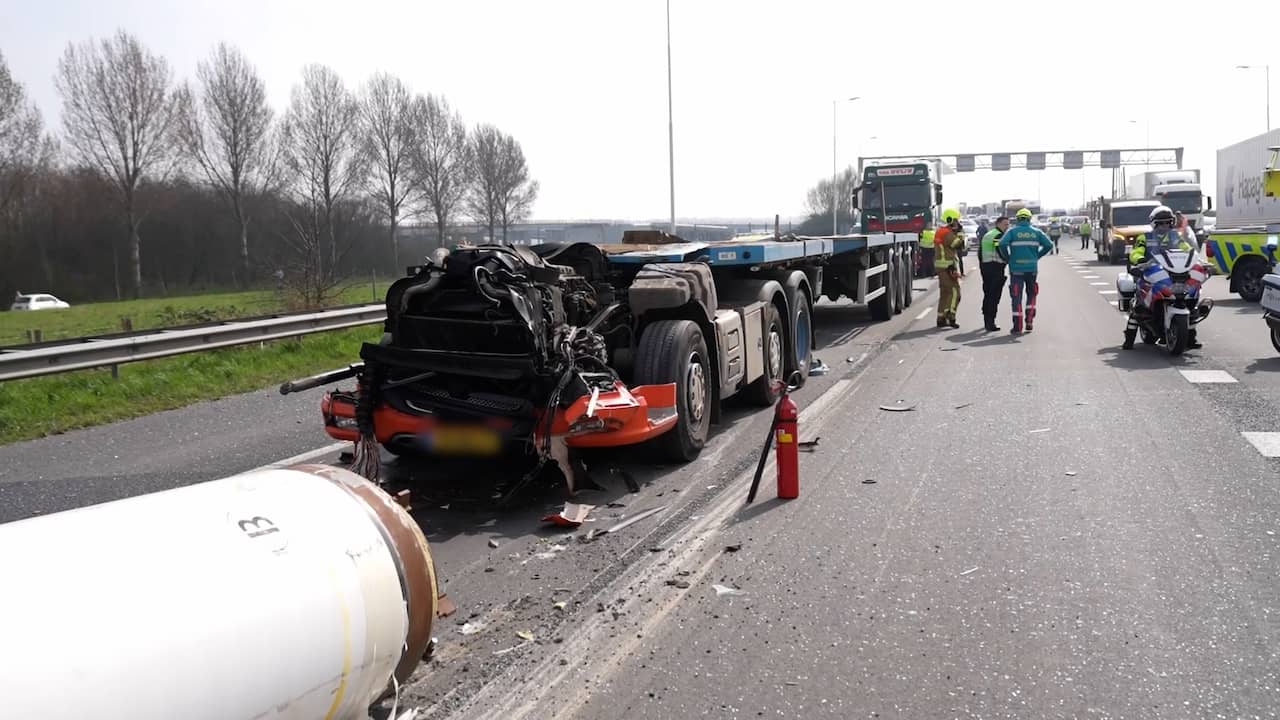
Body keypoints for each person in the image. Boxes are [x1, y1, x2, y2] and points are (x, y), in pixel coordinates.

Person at [1123, 205, 1200, 350]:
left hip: (1172, 272)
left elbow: (1187, 249)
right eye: (1161, 223)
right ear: (1154, 224)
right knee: (1138, 307)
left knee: (1191, 299)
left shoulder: (1175, 237)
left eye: (1167, 222)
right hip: (1149, 271)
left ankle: (1191, 337)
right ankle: (1129, 339)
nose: (1164, 225)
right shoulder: (1144, 237)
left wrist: (1196, 258)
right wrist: (1139, 259)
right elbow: (1136, 251)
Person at [997, 208, 1054, 334]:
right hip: (1032, 269)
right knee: (1032, 294)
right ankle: (1029, 320)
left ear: (1017, 219)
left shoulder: (1012, 231)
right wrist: (1037, 256)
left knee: (1016, 296)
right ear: (1029, 218)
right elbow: (1049, 245)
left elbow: (1002, 244)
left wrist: (1008, 258)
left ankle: (1017, 326)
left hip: (1016, 269)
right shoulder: (1036, 232)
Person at [933, 208, 967, 328]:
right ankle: (950, 317)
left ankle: (941, 318)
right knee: (955, 292)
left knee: (945, 293)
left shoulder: (940, 231)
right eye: (956, 221)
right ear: (951, 220)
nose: (958, 223)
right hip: (948, 266)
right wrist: (961, 233)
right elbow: (958, 245)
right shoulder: (947, 233)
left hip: (942, 266)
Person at [979, 216, 1009, 331]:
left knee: (987, 293)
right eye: (1005, 224)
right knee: (994, 295)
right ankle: (990, 322)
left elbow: (980, 252)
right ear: (998, 224)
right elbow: (999, 249)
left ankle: (986, 318)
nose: (1007, 227)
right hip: (995, 267)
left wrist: (982, 264)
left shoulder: (988, 234)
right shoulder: (998, 235)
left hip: (985, 267)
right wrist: (1007, 259)